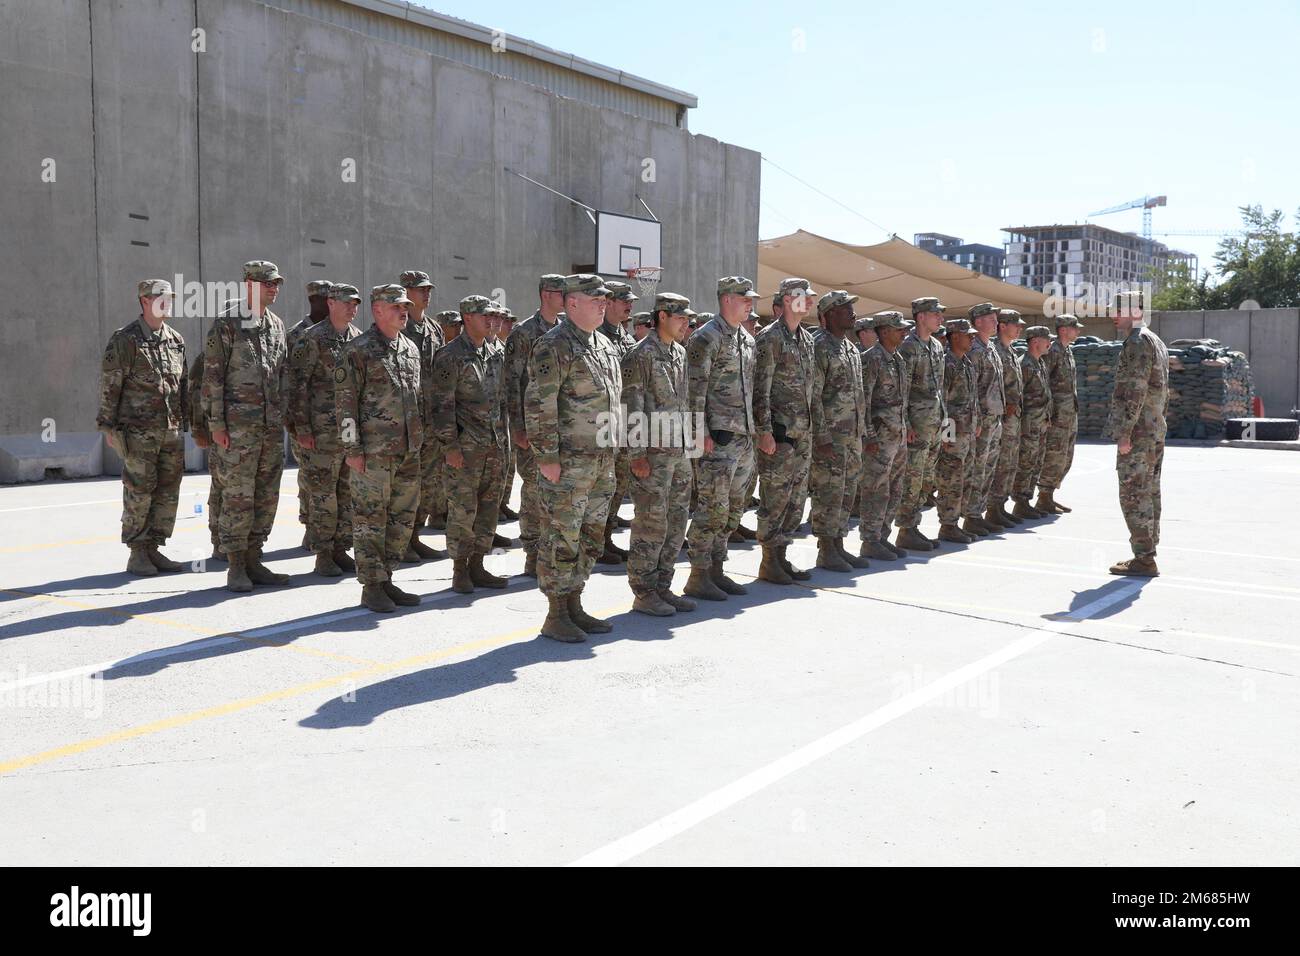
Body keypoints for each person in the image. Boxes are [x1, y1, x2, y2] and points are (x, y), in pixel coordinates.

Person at [525, 274, 623, 641]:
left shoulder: (605, 344)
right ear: (572, 303)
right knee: (561, 537)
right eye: (594, 297)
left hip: (601, 460)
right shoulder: (553, 345)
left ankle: (574, 603)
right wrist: (546, 456)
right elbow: (538, 405)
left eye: (604, 298)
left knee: (591, 535)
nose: (602, 303)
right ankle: (555, 613)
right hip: (567, 462)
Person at [203, 260, 291, 592]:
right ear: (248, 284)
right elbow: (213, 377)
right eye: (267, 282)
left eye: (276, 283)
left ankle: (255, 558)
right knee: (238, 496)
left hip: (269, 428)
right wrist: (216, 425)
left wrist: (283, 418)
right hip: (237, 429)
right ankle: (236, 565)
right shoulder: (227, 323)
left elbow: (282, 375)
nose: (274, 287)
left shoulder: (277, 326)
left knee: (266, 495)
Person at [336, 285, 424, 613]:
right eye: (396, 306)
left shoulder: (410, 349)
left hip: (407, 450)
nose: (404, 311)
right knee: (370, 518)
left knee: (401, 517)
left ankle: (387, 577)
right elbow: (345, 405)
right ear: (377, 310)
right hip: (372, 451)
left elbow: (417, 400)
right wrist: (352, 449)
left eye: (406, 306)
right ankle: (371, 585)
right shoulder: (358, 350)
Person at [97, 279, 189, 576]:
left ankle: (154, 547)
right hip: (137, 431)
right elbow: (111, 384)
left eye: (170, 297)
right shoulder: (125, 339)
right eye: (160, 297)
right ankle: (137, 552)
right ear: (144, 300)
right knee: (139, 489)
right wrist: (108, 426)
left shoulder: (176, 339)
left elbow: (182, 386)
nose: (167, 302)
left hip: (170, 429)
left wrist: (188, 422)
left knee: (168, 490)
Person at [622, 293, 697, 616]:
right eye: (680, 318)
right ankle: (643, 590)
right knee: (650, 523)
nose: (686, 324)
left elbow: (685, 402)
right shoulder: (641, 354)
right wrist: (636, 454)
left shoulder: (679, 353)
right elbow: (630, 406)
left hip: (678, 453)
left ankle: (663, 585)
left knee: (676, 521)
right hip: (651, 455)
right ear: (662, 316)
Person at [684, 277, 760, 600]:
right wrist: (698, 433)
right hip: (715, 440)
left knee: (732, 508)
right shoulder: (706, 338)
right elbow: (693, 390)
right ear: (727, 299)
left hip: (742, 439)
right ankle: (698, 574)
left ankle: (716, 567)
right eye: (745, 299)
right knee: (711, 507)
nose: (750, 304)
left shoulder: (747, 340)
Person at [434, 295, 510, 594]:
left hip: (495, 447)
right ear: (467, 318)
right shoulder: (450, 356)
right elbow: (441, 406)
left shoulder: (495, 353)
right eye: (484, 315)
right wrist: (450, 446)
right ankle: (459, 569)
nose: (491, 320)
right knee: (463, 510)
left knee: (489, 509)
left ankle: (478, 563)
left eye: (493, 315)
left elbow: (503, 401)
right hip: (465, 449)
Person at [288, 282, 362, 577]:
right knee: (322, 496)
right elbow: (296, 385)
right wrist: (302, 428)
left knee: (345, 492)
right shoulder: (311, 339)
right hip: (319, 432)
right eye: (346, 302)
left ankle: (340, 548)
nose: (352, 308)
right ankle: (322, 553)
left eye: (355, 303)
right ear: (331, 303)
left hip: (348, 432)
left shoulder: (358, 339)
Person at [753, 277, 817, 585]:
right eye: (806, 297)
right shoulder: (770, 338)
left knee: (795, 500)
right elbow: (760, 389)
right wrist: (764, 431)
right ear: (790, 298)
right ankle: (769, 561)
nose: (811, 302)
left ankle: (781, 557)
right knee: (775, 499)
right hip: (779, 435)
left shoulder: (806, 339)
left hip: (802, 434)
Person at [504, 274, 567, 578]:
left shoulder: (568, 330)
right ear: (545, 294)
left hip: (561, 428)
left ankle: (554, 551)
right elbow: (513, 382)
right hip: (533, 427)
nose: (564, 297)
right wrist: (518, 427)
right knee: (532, 492)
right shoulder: (524, 333)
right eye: (559, 292)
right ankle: (532, 552)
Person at [1105, 291, 1168, 577]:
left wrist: (1125, 432)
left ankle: (1143, 557)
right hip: (1153, 428)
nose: (1112, 315)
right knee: (1149, 491)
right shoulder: (1154, 339)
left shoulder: (1137, 341)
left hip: (1140, 431)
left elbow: (1136, 390)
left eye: (1117, 310)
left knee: (1134, 492)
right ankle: (1148, 550)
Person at [809, 290, 869, 570]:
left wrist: (863, 431)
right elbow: (814, 396)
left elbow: (859, 394)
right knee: (828, 492)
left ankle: (839, 543)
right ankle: (826, 549)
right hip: (830, 437)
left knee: (847, 492)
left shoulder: (850, 347)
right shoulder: (819, 345)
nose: (852, 313)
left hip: (851, 435)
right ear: (831, 313)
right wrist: (821, 437)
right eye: (846, 308)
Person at [398, 269, 447, 561]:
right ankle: (400, 542)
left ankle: (414, 536)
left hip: (431, 419)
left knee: (427, 484)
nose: (426, 294)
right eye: (420, 289)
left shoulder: (434, 328)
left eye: (427, 289)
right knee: (405, 485)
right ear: (406, 292)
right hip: (407, 421)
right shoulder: (400, 327)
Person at [894, 297, 948, 552]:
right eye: (935, 314)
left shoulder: (937, 346)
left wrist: (946, 425)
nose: (940, 318)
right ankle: (906, 529)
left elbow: (941, 389)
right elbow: (901, 390)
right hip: (916, 426)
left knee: (927, 479)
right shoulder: (908, 348)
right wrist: (906, 425)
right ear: (921, 317)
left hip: (935, 424)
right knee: (912, 479)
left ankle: (913, 526)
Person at [857, 311, 911, 561]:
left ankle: (883, 536)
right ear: (884, 331)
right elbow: (863, 402)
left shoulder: (898, 359)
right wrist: (868, 437)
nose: (903, 332)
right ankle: (870, 539)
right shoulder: (871, 359)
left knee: (894, 488)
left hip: (897, 436)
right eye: (898, 328)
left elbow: (903, 400)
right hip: (879, 438)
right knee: (875, 490)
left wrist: (906, 425)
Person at [596, 280, 640, 563]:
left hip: (625, 424)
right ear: (608, 302)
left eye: (631, 301)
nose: (630, 305)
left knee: (617, 485)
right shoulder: (595, 334)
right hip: (601, 424)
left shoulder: (626, 337)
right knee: (599, 488)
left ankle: (606, 537)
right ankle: (594, 541)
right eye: (624, 300)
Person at [288, 279, 332, 542]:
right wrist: (295, 422)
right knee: (309, 477)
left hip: (333, 424)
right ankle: (310, 527)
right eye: (320, 299)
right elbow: (292, 381)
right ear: (311, 301)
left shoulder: (336, 331)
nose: (325, 303)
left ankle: (326, 532)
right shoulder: (298, 334)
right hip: (306, 420)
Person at [934, 318, 981, 544]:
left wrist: (977, 421)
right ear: (954, 337)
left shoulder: (967, 363)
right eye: (968, 335)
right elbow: (942, 402)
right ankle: (948, 525)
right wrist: (947, 435)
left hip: (968, 431)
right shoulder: (947, 364)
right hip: (954, 433)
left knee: (965, 478)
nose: (972, 338)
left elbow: (972, 398)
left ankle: (957, 521)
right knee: (950, 480)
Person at [964, 302, 1005, 537]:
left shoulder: (991, 348)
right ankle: (970, 516)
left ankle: (977, 514)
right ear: (978, 322)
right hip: (982, 422)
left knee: (988, 469)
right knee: (977, 469)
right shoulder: (975, 350)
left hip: (994, 419)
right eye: (991, 319)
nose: (996, 322)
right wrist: (977, 420)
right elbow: (971, 389)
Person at [1037, 313, 1084, 514]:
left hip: (1069, 413)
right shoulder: (1053, 351)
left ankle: (1049, 496)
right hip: (1057, 415)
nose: (1078, 331)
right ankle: (1043, 497)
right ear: (1064, 330)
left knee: (1066, 456)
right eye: (1075, 328)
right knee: (1054, 455)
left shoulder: (1067, 351)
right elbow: (1043, 382)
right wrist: (1048, 413)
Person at [1012, 327, 1054, 519]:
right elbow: (1018, 397)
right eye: (1047, 340)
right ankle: (1020, 502)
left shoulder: (1040, 363)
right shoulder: (1025, 365)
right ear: (1035, 341)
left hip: (1040, 424)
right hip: (1028, 425)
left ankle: (1026, 500)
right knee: (1026, 463)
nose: (1050, 344)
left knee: (1036, 462)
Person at [989, 309, 1027, 526]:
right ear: (1002, 326)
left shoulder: (1010, 351)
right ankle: (992, 508)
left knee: (1009, 464)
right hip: (1001, 419)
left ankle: (1000, 506)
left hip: (1013, 420)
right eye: (1015, 324)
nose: (1019, 328)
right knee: (998, 463)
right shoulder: (995, 351)